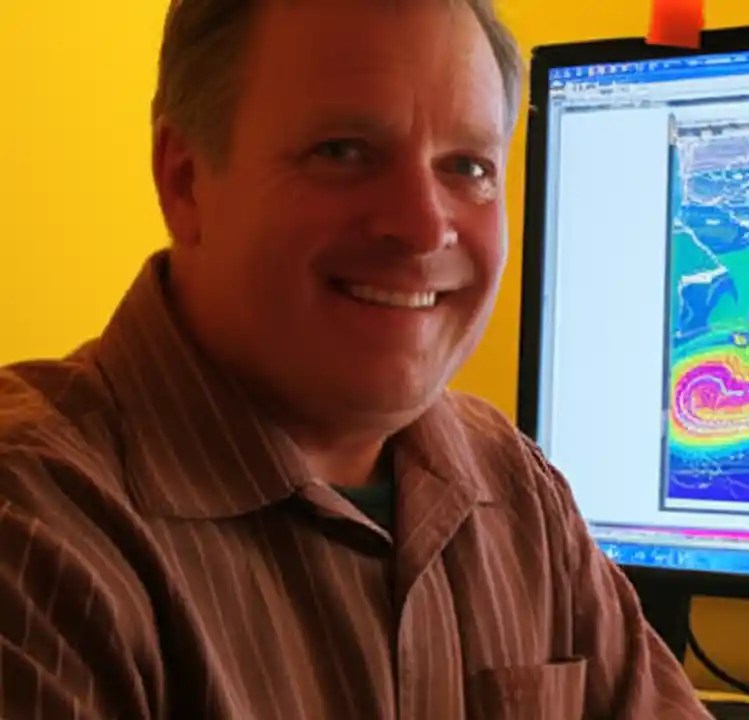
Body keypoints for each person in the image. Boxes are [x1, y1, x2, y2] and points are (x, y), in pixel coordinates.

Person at [0, 0, 713, 717]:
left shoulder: (519, 492)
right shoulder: (31, 531)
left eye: (467, 166)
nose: (423, 225)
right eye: (342, 151)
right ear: (184, 179)